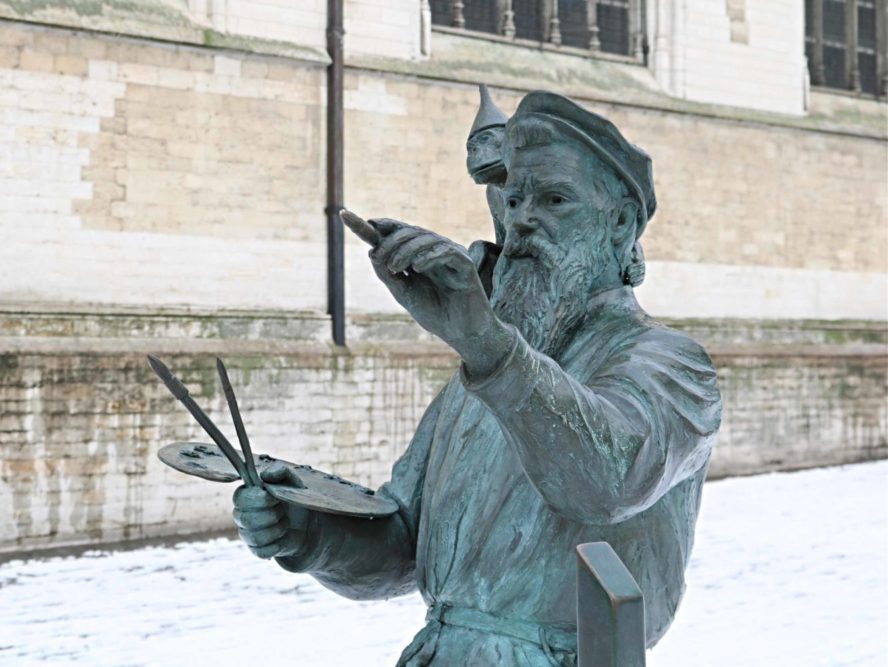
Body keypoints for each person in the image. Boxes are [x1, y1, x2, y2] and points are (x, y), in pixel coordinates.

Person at [233, 90, 722, 666]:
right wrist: (309, 534)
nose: (520, 221)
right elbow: (403, 545)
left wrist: (485, 344)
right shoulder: (483, 371)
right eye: (513, 201)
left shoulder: (671, 364)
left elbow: (606, 481)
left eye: (555, 199)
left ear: (619, 225)